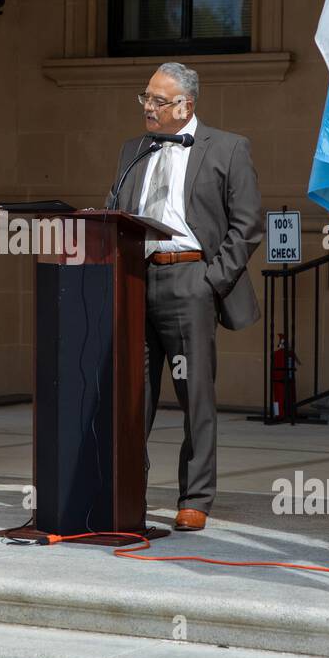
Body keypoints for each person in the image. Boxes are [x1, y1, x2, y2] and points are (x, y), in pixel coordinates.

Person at [110, 62, 265, 530]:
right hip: (137, 280)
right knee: (132, 396)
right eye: (146, 99)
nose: (149, 108)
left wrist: (211, 281)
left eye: (158, 101)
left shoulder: (229, 148)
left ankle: (195, 498)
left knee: (195, 395)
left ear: (186, 105)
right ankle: (125, 493)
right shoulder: (133, 151)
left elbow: (248, 224)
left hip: (190, 281)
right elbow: (117, 211)